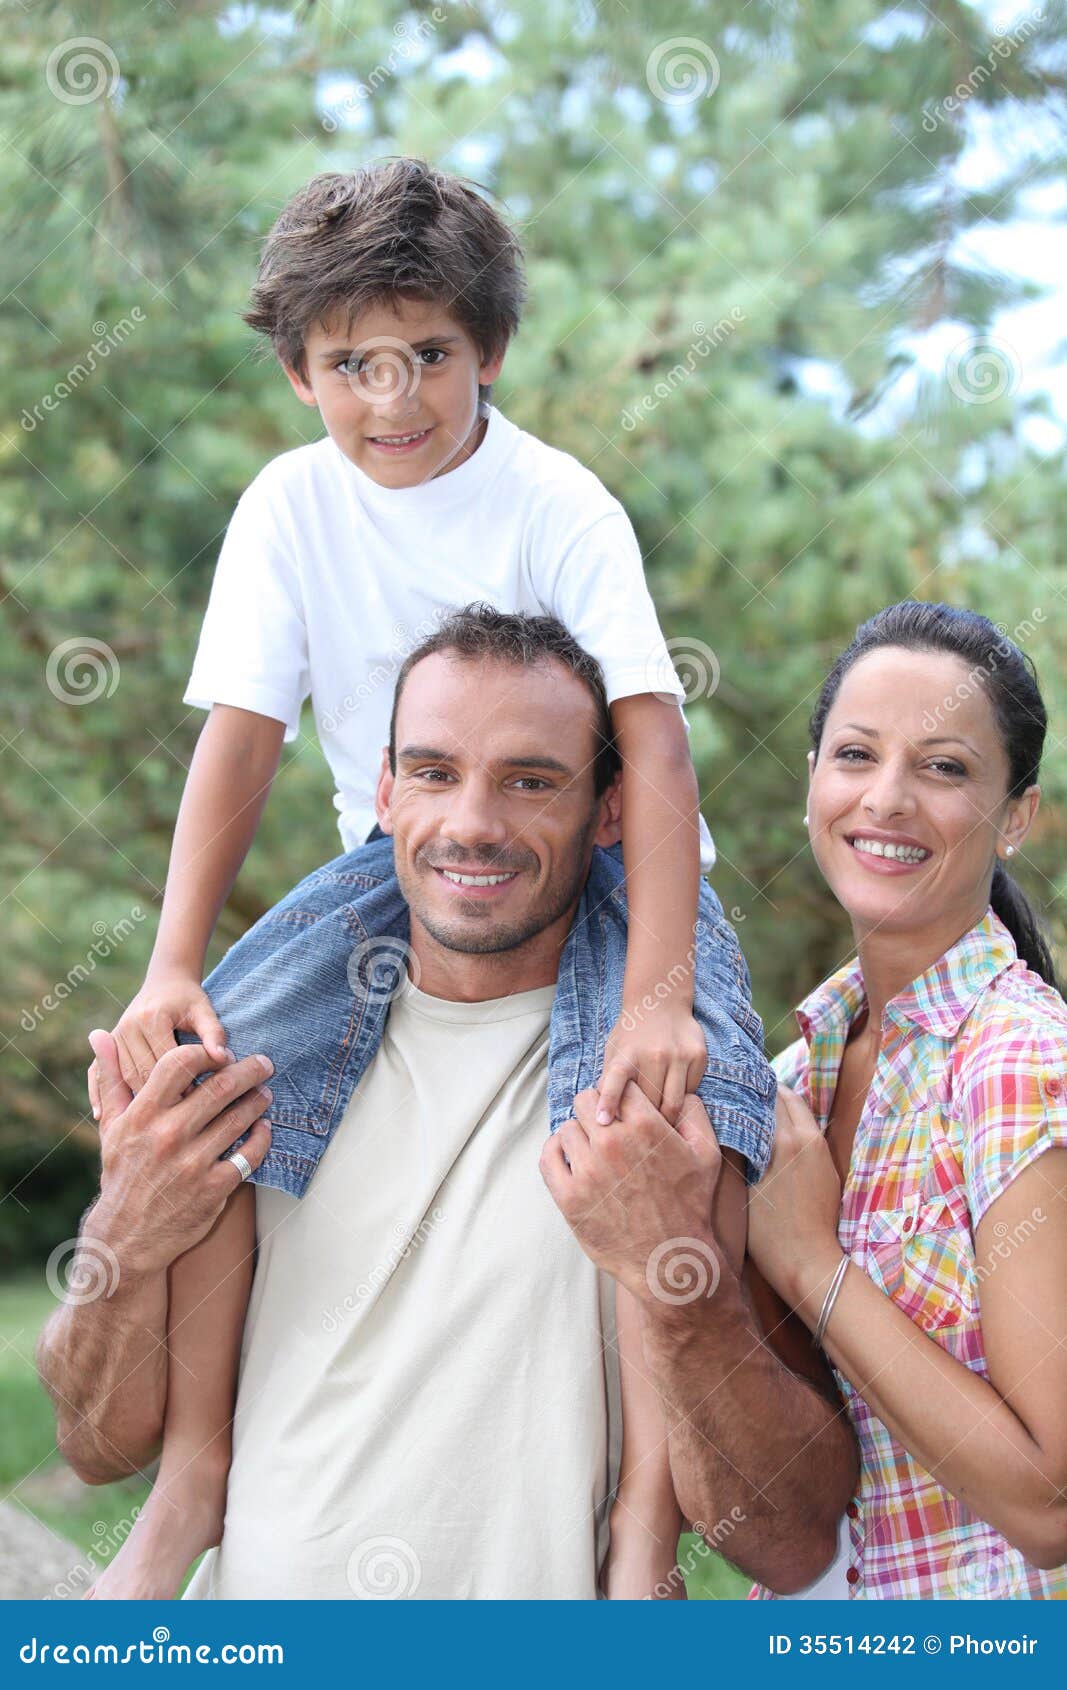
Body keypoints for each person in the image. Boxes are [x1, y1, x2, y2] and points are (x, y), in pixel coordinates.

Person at [84, 158, 718, 1595]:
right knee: (211, 1084)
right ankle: (193, 1482)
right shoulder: (287, 510)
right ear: (300, 373)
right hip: (390, 864)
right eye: (348, 364)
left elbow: (656, 751)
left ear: (487, 348)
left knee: (674, 1110)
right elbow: (239, 744)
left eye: (426, 354)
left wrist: (661, 995)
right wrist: (171, 965)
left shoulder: (560, 503)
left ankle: (636, 1534)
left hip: (612, 854)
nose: (392, 396)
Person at [39, 612, 857, 1600]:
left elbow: (788, 1538)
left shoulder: (663, 1102)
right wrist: (124, 1229)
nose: (472, 822)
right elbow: (92, 1446)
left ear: (608, 811)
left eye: (529, 780)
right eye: (432, 771)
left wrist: (673, 1278)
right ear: (383, 790)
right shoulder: (270, 1061)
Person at [745, 601, 1067, 1599]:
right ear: (810, 780)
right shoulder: (792, 1078)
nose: (884, 798)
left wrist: (810, 1263)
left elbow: (1048, 1503)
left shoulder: (1012, 1058)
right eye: (853, 754)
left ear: (1014, 814)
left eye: (941, 767)